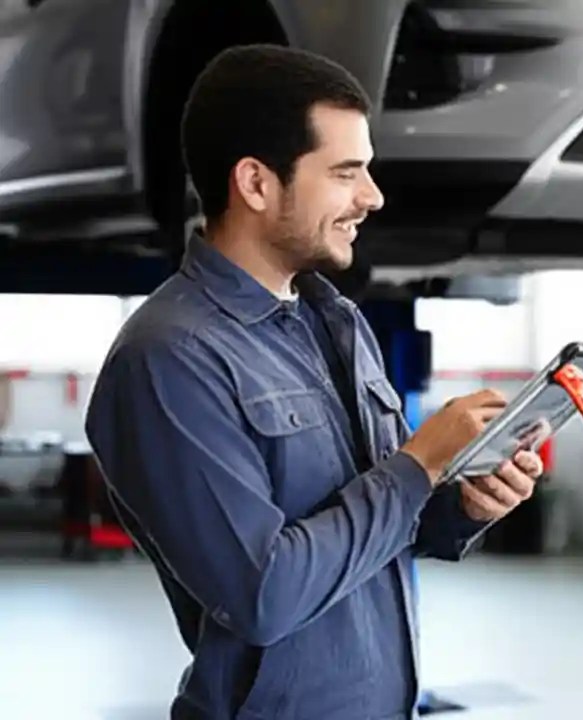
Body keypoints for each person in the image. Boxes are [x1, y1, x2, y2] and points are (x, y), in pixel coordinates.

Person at [83, 44, 543, 720]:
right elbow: (263, 595)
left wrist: (463, 506)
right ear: (256, 183)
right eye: (346, 172)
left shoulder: (336, 322)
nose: (372, 197)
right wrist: (419, 465)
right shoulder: (167, 360)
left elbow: (385, 529)